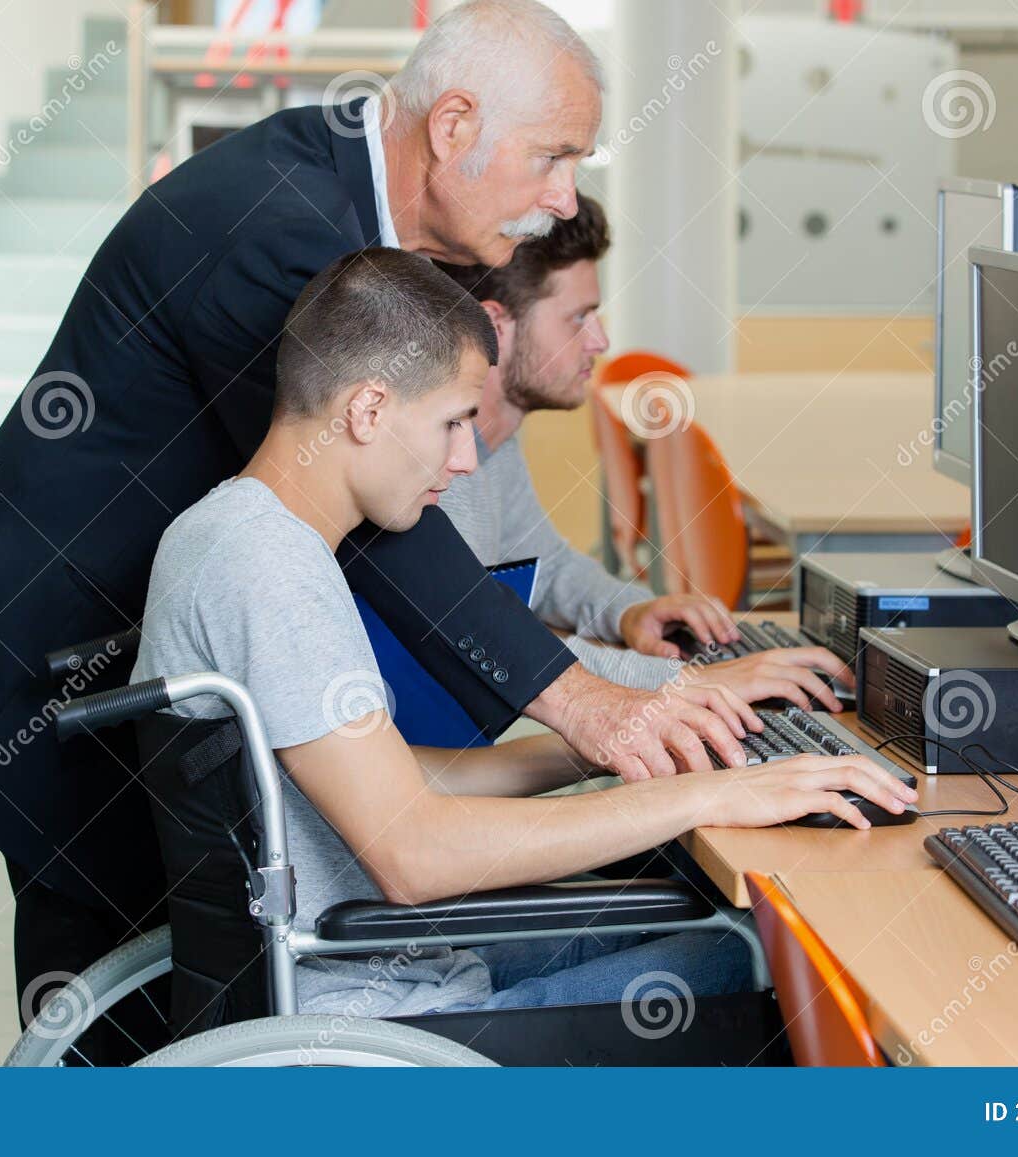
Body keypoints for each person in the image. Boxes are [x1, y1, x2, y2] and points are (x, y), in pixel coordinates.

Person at [0, 0, 761, 1044]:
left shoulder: (343, 210)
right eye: (553, 156)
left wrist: (629, 707)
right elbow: (394, 533)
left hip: (157, 646)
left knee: (192, 979)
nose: (561, 196)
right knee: (110, 987)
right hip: (52, 652)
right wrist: (597, 706)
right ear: (453, 125)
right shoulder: (277, 228)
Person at [131, 247, 918, 1016]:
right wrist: (714, 793)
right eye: (452, 421)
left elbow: (401, 785)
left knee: (736, 929)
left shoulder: (237, 533)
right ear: (368, 410)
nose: (468, 458)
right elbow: (415, 853)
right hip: (373, 1024)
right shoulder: (270, 567)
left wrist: (596, 747)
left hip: (385, 962)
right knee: (771, 959)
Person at [437, 194, 856, 708]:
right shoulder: (437, 471)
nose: (600, 340)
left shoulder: (496, 442)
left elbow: (546, 568)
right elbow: (480, 642)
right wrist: (686, 684)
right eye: (578, 317)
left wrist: (630, 612)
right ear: (493, 326)